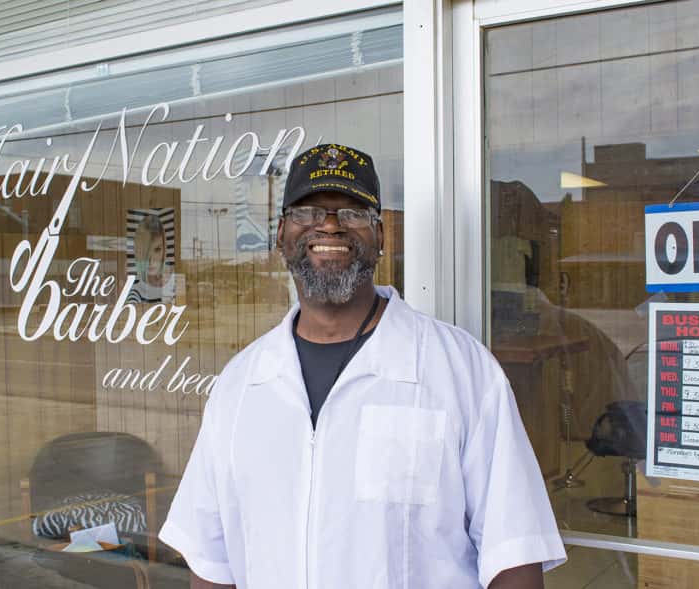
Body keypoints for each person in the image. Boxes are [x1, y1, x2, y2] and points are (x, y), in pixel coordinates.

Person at [159, 143, 566, 589]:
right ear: (281, 234)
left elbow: (515, 558)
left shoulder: (462, 371)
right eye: (309, 211)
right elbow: (212, 564)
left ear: (380, 235)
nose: (330, 225)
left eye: (353, 213)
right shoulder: (240, 385)